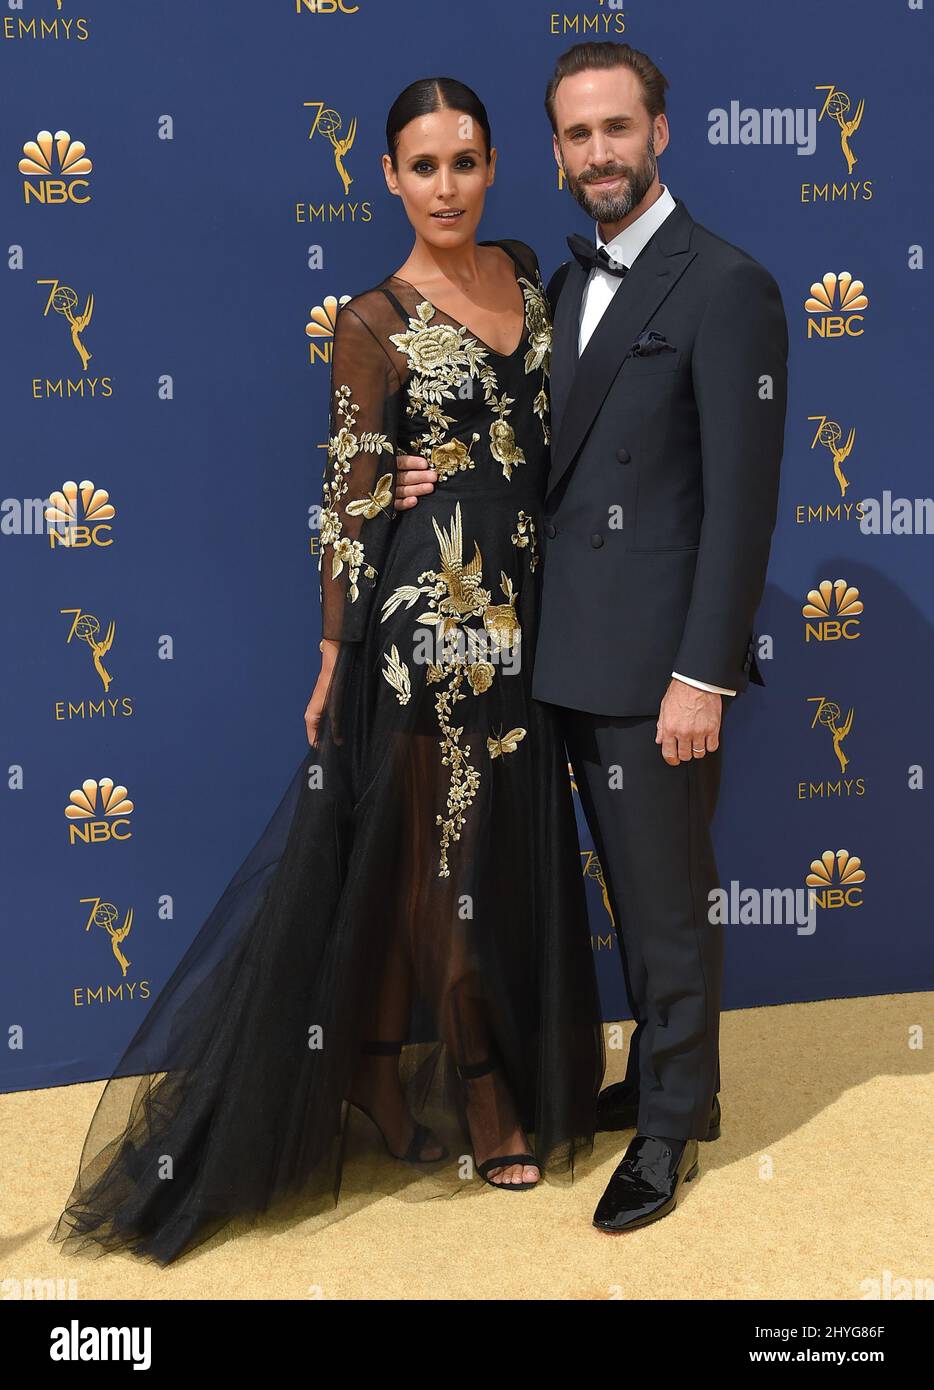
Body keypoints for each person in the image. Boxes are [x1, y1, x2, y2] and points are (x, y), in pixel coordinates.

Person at [48, 77, 604, 1268]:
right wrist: (332, 655)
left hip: (527, 621)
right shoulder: (371, 319)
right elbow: (350, 496)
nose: (445, 185)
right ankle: (479, 1083)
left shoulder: (534, 279)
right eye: (422, 165)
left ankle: (366, 1067)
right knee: (444, 864)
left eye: (464, 161)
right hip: (425, 620)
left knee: (464, 853)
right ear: (387, 178)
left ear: (496, 165)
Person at [394, 42, 788, 1234]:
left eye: (618, 129)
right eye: (577, 136)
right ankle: (656, 1078)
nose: (599, 155)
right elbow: (531, 459)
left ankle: (673, 1125)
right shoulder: (555, 288)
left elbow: (741, 504)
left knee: (665, 902)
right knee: (613, 893)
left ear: (660, 131)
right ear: (555, 151)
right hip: (551, 652)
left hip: (654, 666)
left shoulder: (727, 285)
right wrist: (428, 475)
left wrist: (700, 675)